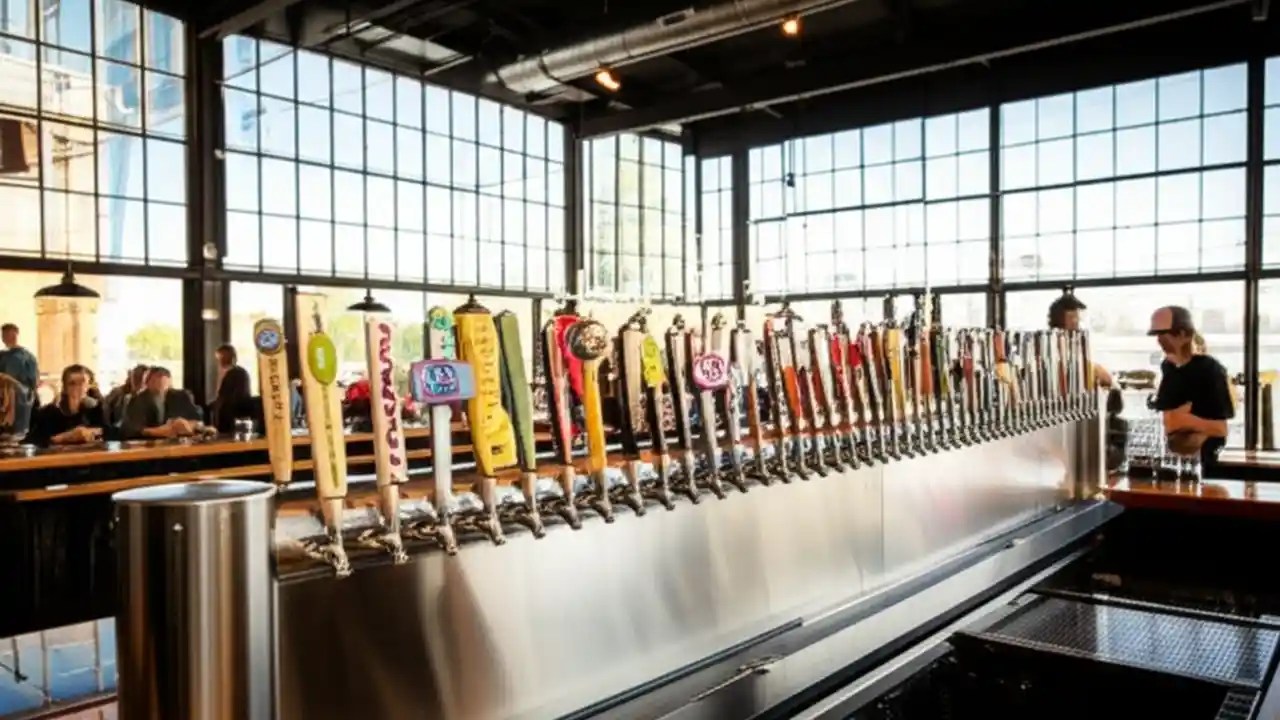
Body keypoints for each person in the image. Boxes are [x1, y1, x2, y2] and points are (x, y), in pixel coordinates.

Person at [1148, 306, 1234, 470]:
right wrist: (1186, 421)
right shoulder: (1169, 368)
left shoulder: (1211, 370)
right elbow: (1169, 422)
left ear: (1183, 334)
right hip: (1174, 464)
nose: (1159, 340)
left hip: (1204, 466)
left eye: (1163, 334)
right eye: (1156, 335)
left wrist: (1183, 420)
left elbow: (1220, 429)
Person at [1047, 288, 1114, 389]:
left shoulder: (1077, 342)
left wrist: (1095, 369)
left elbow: (1106, 378)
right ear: (1059, 318)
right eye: (1072, 316)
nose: (1077, 320)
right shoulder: (1051, 346)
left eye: (1077, 316)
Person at [27, 364, 106, 447]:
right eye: (72, 384)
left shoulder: (97, 408)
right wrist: (63, 438)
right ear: (65, 387)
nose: (78, 388)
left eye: (82, 382)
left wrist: (92, 432)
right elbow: (34, 441)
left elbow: (109, 433)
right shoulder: (49, 412)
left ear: (89, 385)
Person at [121, 366, 203, 439]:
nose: (162, 395)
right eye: (156, 391)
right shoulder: (136, 401)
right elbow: (131, 430)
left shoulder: (182, 396)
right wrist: (159, 431)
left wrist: (188, 425)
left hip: (181, 447)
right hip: (149, 448)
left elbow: (199, 422)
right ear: (147, 384)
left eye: (166, 390)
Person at [0, 323, 39, 426]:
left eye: (10, 334)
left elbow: (33, 383)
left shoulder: (27, 357)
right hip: (3, 390)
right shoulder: (2, 356)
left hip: (21, 392)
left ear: (16, 335)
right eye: (4, 335)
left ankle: (9, 422)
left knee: (10, 389)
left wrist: (10, 381)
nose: (7, 338)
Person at [210, 343, 252, 434]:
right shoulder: (236, 372)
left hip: (233, 420)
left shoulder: (237, 374)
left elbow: (228, 398)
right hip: (228, 418)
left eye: (219, 358)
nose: (217, 362)